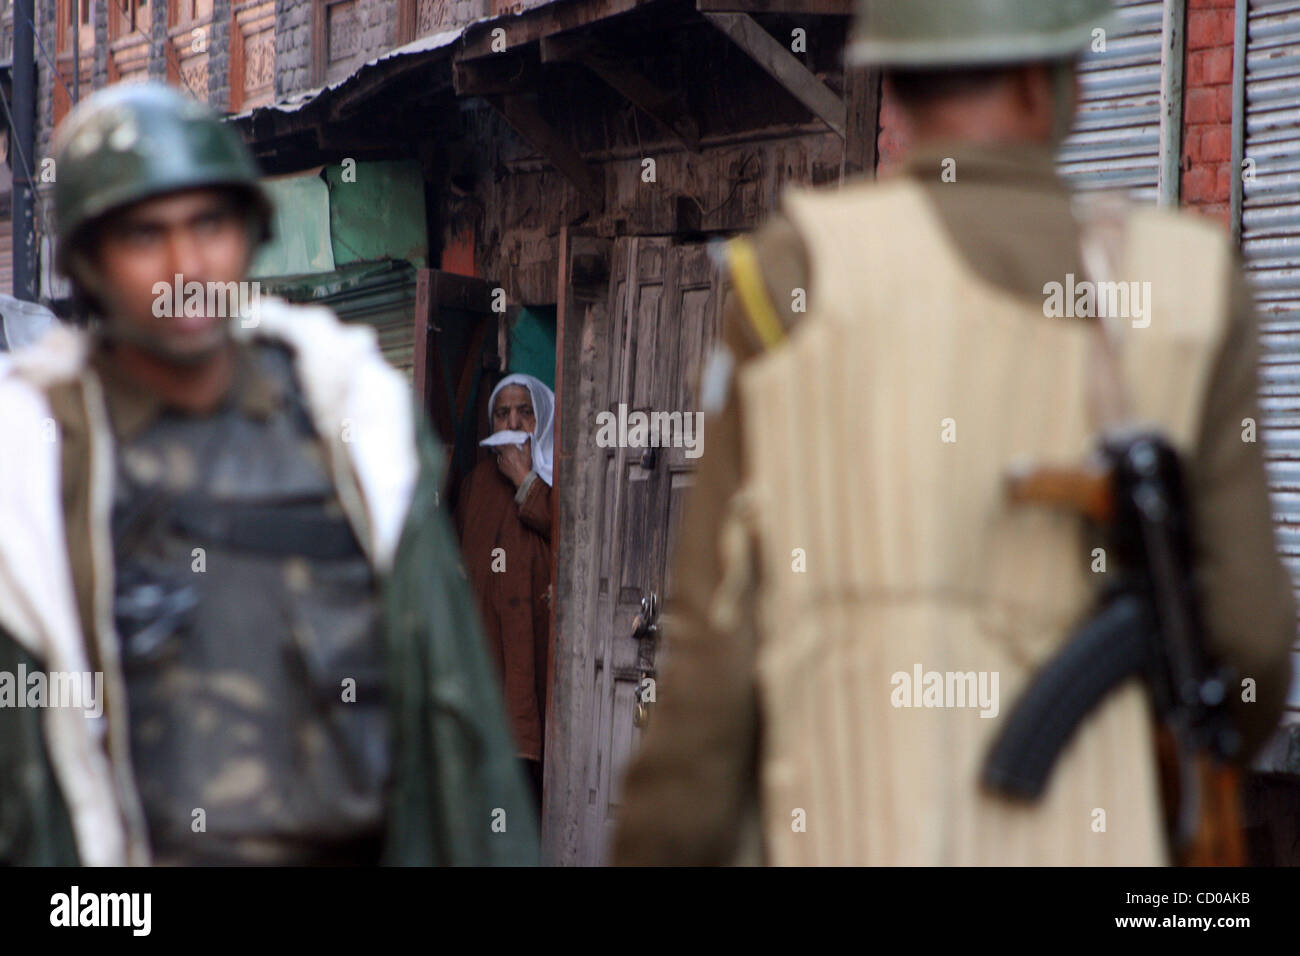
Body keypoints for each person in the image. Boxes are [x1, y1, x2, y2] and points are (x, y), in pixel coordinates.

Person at [612, 0, 1297, 866]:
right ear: (1047, 79)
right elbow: (1252, 643)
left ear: (894, 83)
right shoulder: (1190, 288)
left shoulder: (799, 273)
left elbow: (715, 662)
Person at [0, 82, 537, 865]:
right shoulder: (33, 469)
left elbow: (458, 740)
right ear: (89, 261)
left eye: (208, 225)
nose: (185, 265)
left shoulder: (352, 435)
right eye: (145, 235)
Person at [455, 373, 555, 808]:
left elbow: (569, 539)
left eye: (525, 412)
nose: (513, 421)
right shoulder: (475, 483)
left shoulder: (559, 475)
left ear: (544, 418)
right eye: (503, 413)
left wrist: (526, 481)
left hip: (535, 649)